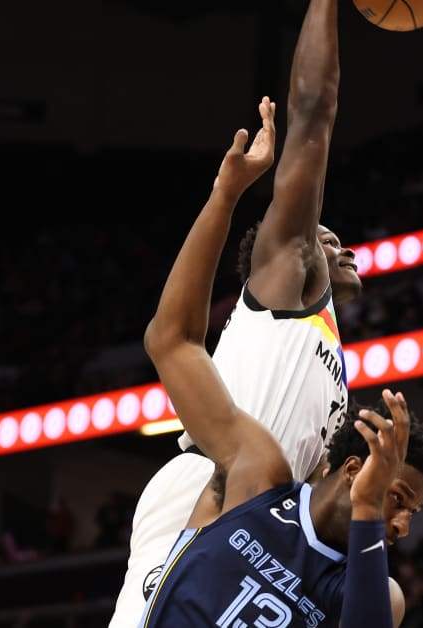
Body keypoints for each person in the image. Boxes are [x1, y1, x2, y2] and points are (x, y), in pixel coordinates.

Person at [110, 0, 363, 618]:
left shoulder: (328, 349)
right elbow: (313, 115)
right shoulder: (288, 284)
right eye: (327, 239)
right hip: (209, 486)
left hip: (251, 516)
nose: (345, 246)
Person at [137, 173, 423, 623]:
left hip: (274, 502)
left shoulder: (336, 367)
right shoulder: (274, 306)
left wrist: (366, 500)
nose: (344, 250)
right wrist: (225, 195)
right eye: (325, 241)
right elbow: (173, 341)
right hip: (214, 471)